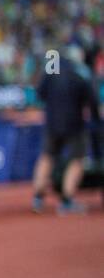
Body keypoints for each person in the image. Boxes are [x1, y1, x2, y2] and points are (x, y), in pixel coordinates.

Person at [31, 45, 100, 214]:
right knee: (77, 160)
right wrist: (96, 120)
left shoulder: (52, 70)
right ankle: (67, 201)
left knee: (47, 156)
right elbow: (92, 100)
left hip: (52, 122)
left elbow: (39, 93)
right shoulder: (82, 72)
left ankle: (38, 198)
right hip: (74, 123)